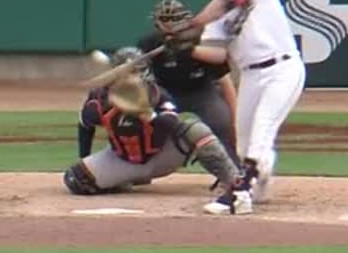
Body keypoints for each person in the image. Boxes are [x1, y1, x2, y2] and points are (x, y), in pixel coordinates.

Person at [170, 0, 306, 215]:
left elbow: (229, 0)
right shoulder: (215, 24)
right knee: (244, 145)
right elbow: (217, 53)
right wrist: (186, 48)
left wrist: (190, 25)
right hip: (251, 77)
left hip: (283, 68)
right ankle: (259, 183)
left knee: (262, 129)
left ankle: (239, 196)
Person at [64, 57, 241, 199]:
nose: (132, 79)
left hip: (162, 156)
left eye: (136, 73)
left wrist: (148, 115)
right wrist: (85, 158)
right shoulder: (100, 103)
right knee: (76, 179)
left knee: (196, 129)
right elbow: (84, 125)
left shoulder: (158, 95)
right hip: (122, 160)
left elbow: (174, 123)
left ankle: (235, 183)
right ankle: (125, 181)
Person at [137, 0, 236, 163]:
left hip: (202, 93)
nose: (169, 26)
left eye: (174, 20)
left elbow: (225, 82)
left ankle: (234, 169)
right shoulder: (151, 44)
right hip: (165, 94)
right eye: (164, 21)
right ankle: (139, 167)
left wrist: (235, 120)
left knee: (221, 122)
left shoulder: (203, 42)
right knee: (141, 122)